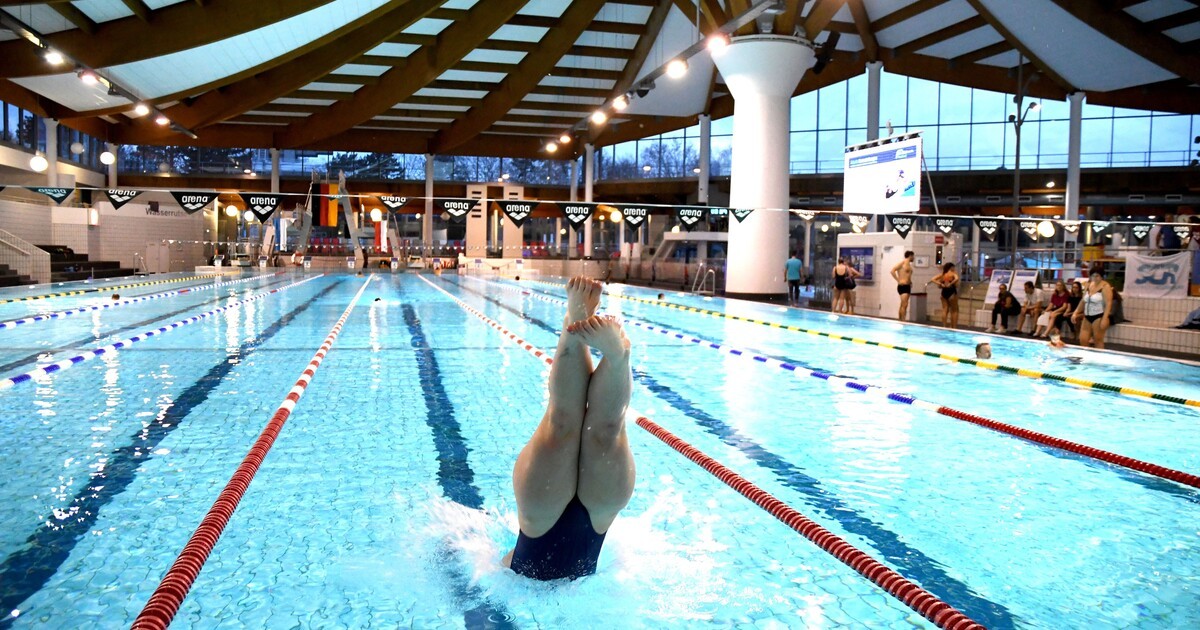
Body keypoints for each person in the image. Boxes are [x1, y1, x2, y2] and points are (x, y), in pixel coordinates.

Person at [504, 277, 635, 581]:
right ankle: (595, 340)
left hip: (589, 513)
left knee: (600, 430)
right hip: (543, 513)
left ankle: (613, 354)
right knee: (564, 423)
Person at [1071, 263, 1114, 349]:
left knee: (1098, 340)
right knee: (1083, 340)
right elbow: (1083, 301)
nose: (1095, 278)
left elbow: (1108, 304)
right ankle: (1086, 358)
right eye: (1093, 276)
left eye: (1097, 276)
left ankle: (1098, 360)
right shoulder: (1088, 285)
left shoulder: (1105, 287)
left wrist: (1105, 319)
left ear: (1102, 276)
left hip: (1099, 316)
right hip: (1087, 316)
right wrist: (1075, 312)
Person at [929, 262, 960, 328]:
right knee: (954, 310)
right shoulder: (953, 274)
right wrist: (950, 284)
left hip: (944, 292)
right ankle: (954, 327)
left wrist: (940, 284)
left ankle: (944, 325)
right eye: (953, 267)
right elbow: (956, 278)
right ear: (951, 267)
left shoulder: (943, 274)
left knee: (945, 309)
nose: (954, 268)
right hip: (951, 291)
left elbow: (932, 279)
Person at [890, 250, 915, 320]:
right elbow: (892, 271)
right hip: (902, 286)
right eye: (913, 256)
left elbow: (908, 275)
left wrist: (910, 282)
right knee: (904, 304)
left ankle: (900, 319)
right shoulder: (902, 263)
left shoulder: (909, 265)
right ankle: (903, 320)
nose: (914, 258)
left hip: (907, 286)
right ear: (910, 256)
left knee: (903, 304)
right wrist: (898, 280)